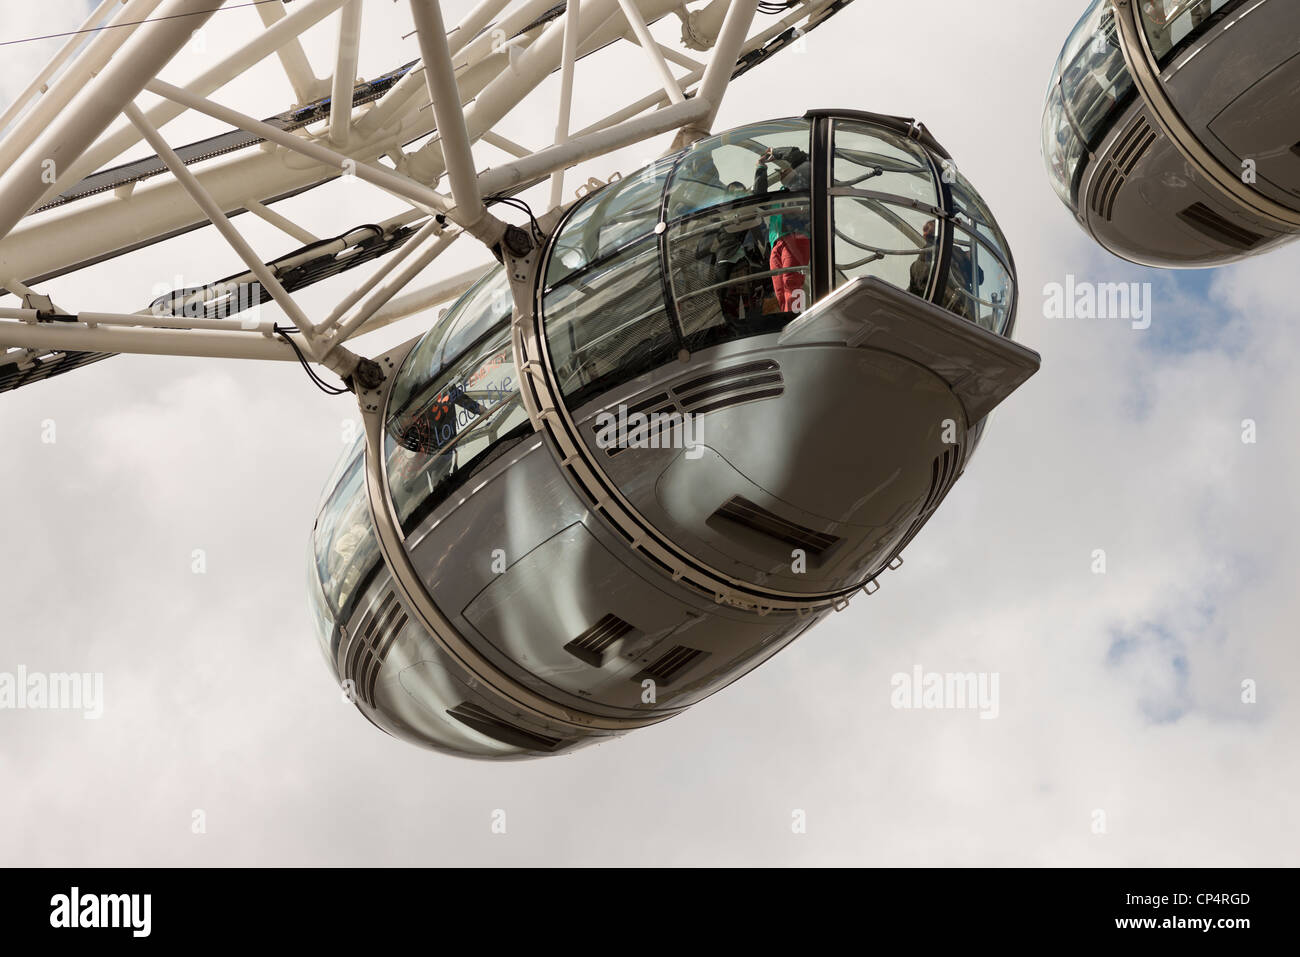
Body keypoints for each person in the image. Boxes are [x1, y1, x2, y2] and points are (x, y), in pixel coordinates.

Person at [754, 146, 812, 312]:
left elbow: (798, 155)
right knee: (779, 288)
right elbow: (760, 198)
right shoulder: (780, 195)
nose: (780, 173)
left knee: (791, 281)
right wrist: (760, 167)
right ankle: (787, 315)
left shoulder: (803, 183)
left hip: (797, 236)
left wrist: (776, 153)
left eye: (785, 169)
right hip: (776, 241)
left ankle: (795, 314)